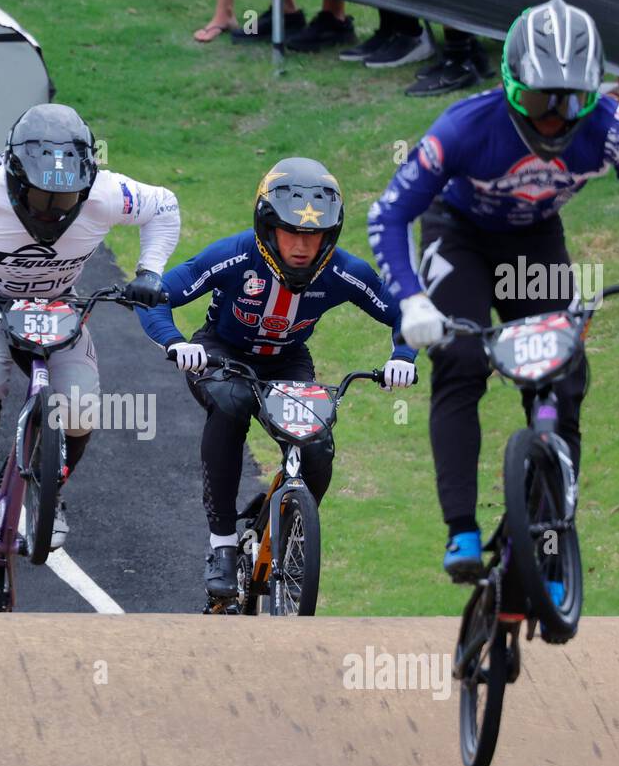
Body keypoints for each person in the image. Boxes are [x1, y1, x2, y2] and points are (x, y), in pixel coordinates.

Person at [369, 0, 619, 636]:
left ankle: (550, 548)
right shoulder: (465, 126)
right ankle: (462, 531)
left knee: (561, 378)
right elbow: (390, 214)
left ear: (593, 91)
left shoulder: (611, 125)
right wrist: (410, 298)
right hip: (457, 233)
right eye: (540, 100)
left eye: (570, 100)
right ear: (510, 84)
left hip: (534, 241)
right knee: (461, 358)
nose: (555, 119)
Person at [0, 103, 180, 552]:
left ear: (86, 182)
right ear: (13, 178)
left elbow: (164, 205)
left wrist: (149, 272)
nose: (51, 212)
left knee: (82, 405)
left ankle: (51, 492)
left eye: (65, 199)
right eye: (40, 196)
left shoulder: (107, 193)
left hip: (56, 302)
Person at [139, 158, 417, 598]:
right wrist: (175, 342)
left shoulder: (344, 271)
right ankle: (223, 546)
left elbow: (405, 313)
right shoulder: (233, 254)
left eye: (315, 235)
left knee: (318, 444)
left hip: (287, 360)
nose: (304, 247)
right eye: (292, 233)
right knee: (231, 405)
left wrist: (403, 354)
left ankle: (288, 529)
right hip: (220, 353)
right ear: (268, 228)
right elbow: (155, 295)